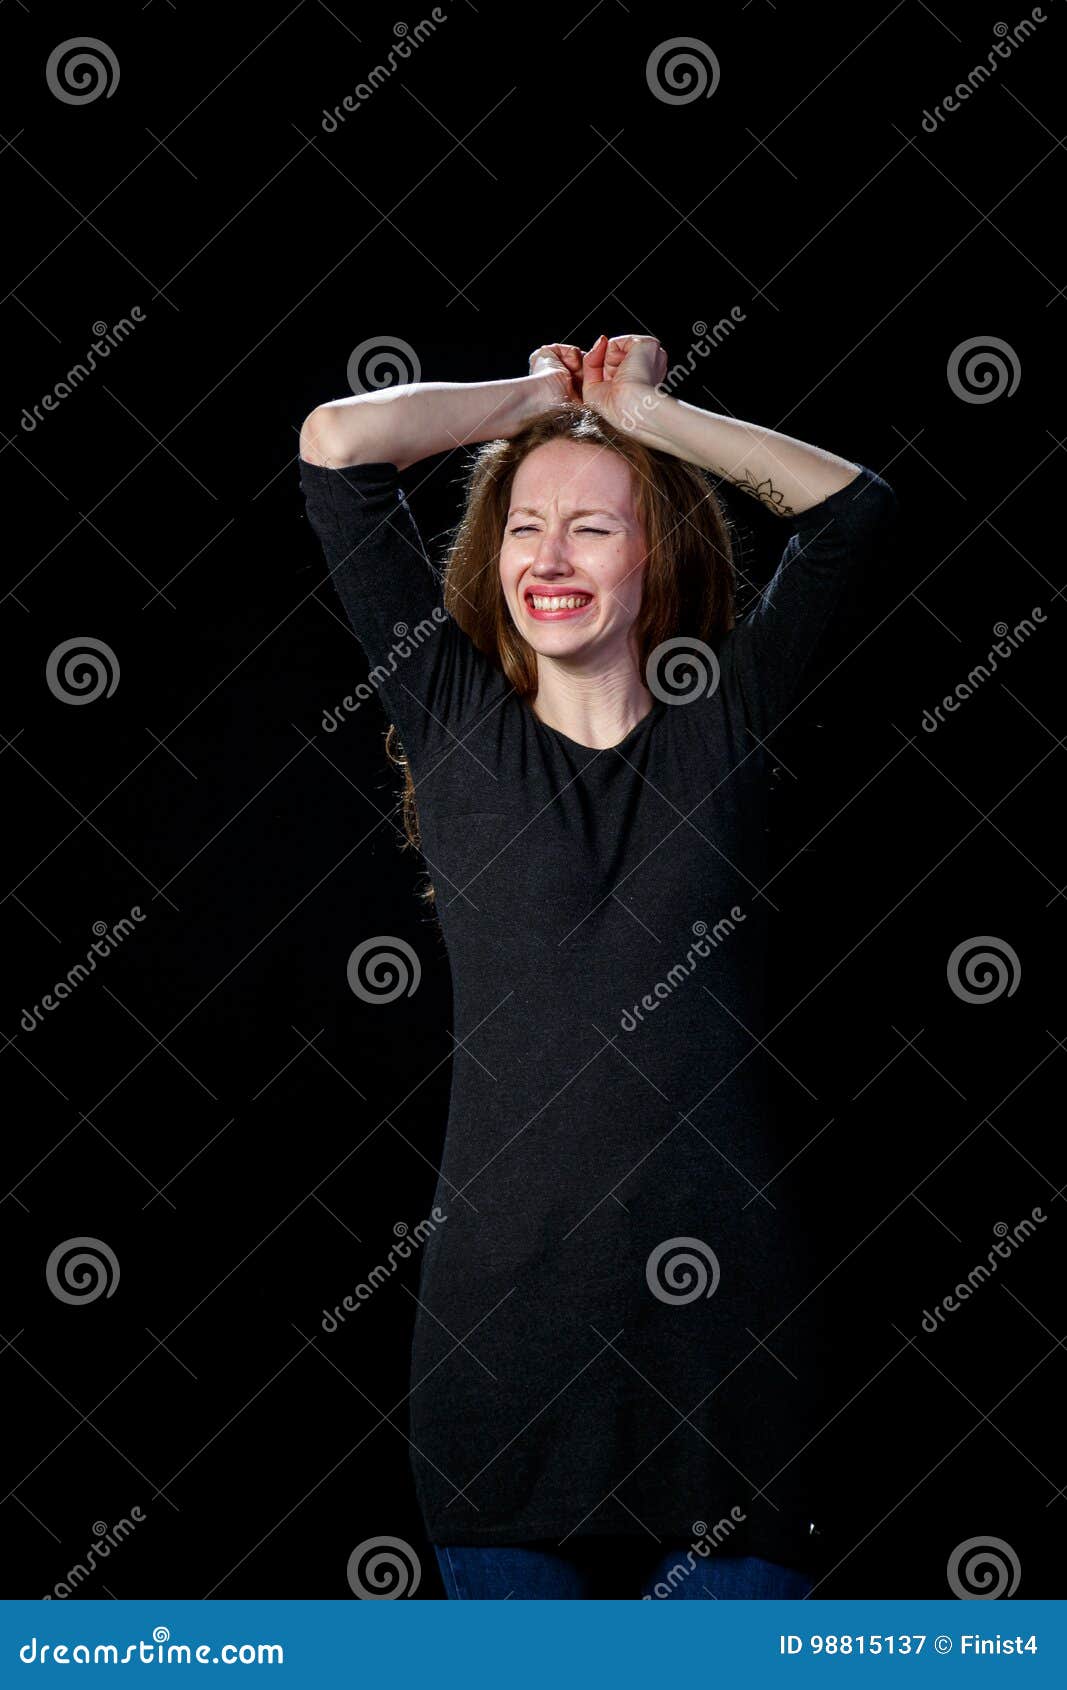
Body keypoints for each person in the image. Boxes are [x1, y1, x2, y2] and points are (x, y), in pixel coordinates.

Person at [298, 334, 899, 1599]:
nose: (550, 558)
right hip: (498, 1349)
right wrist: (530, 402)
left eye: (592, 528)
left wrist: (645, 417)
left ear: (654, 555)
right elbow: (336, 448)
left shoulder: (724, 723)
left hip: (728, 1350)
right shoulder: (451, 719)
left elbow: (850, 512)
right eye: (525, 527)